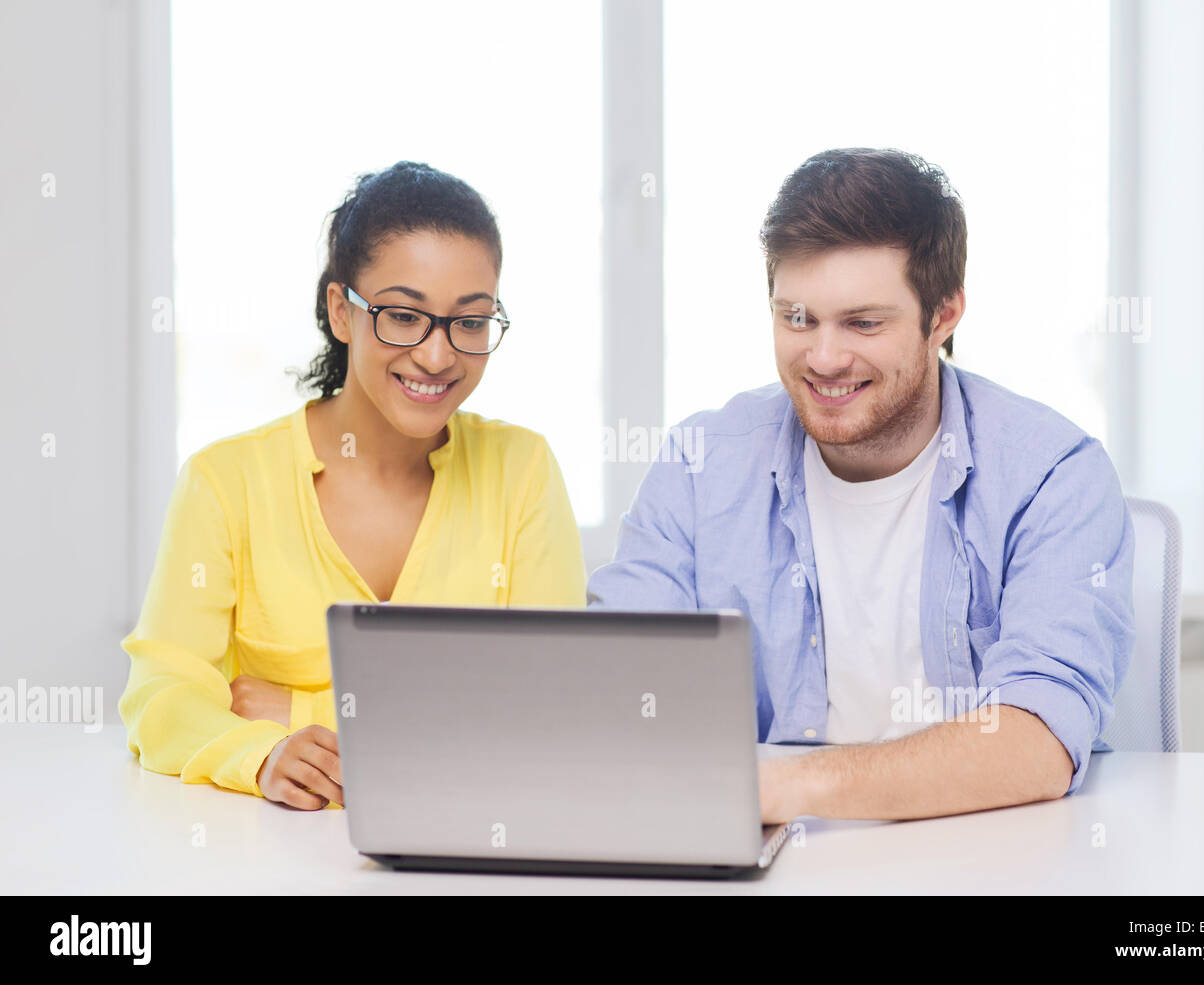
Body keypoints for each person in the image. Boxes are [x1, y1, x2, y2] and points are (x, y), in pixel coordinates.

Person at [587, 148, 1135, 823]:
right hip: (766, 858)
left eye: (862, 322)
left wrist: (777, 789)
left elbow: (1037, 740)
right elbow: (618, 692)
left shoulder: (1053, 473)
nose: (822, 358)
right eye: (797, 318)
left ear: (944, 315)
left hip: (990, 850)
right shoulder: (700, 467)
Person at [119, 162, 586, 810]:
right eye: (403, 315)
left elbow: (549, 709)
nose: (437, 354)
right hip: (264, 861)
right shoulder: (223, 484)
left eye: (470, 321)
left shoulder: (523, 471)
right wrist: (263, 756)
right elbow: (161, 695)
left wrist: (300, 711)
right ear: (342, 310)